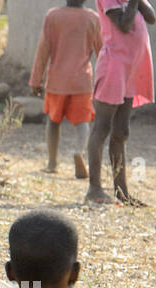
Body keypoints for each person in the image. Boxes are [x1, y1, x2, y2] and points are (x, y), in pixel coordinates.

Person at [86, 0, 156, 204]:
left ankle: (121, 192)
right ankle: (94, 188)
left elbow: (152, 17)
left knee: (121, 132)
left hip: (131, 69)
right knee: (102, 128)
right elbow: (124, 25)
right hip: (114, 66)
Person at [29, 0, 102, 179]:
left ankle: (52, 163)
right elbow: (102, 51)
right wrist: (104, 81)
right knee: (83, 122)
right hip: (82, 81)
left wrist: (36, 79)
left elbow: (43, 49)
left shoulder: (53, 16)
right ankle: (79, 151)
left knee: (53, 121)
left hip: (57, 81)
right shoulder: (93, 18)